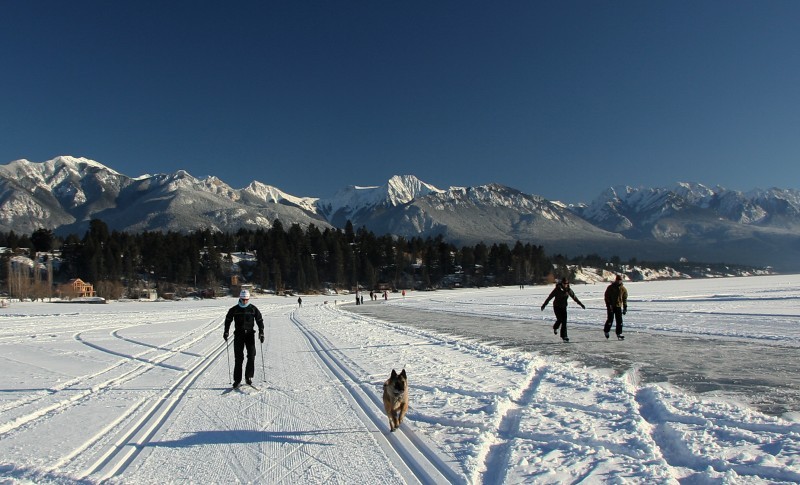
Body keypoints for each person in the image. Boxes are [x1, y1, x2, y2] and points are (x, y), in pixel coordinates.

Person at [223, 289, 264, 387]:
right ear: (240, 298)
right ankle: (237, 380)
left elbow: (259, 320)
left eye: (246, 299)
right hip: (238, 335)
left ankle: (248, 377)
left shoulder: (253, 309)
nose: (245, 301)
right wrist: (226, 331)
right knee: (239, 358)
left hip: (250, 335)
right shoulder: (234, 309)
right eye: (243, 299)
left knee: (251, 356)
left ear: (248, 299)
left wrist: (261, 332)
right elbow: (228, 320)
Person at [541, 277, 585, 342]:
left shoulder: (568, 290)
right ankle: (555, 327)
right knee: (560, 320)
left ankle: (564, 336)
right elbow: (550, 297)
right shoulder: (557, 289)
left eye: (566, 283)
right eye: (564, 283)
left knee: (564, 321)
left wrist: (581, 304)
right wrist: (544, 305)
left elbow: (574, 297)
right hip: (556, 307)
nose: (565, 284)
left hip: (564, 307)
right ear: (562, 283)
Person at [604, 274, 628, 340]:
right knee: (610, 320)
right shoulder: (610, 287)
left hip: (618, 306)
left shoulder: (623, 289)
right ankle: (606, 330)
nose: (618, 281)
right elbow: (606, 297)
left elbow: (624, 299)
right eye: (617, 280)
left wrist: (625, 307)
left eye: (620, 280)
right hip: (611, 306)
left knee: (619, 321)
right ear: (616, 280)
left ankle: (619, 333)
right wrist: (609, 304)